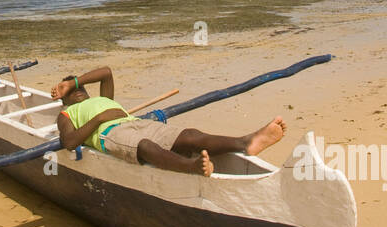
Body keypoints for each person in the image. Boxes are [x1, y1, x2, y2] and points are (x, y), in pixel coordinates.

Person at [52, 65, 285, 177]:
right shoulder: (67, 114)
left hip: (135, 122)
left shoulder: (104, 99)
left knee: (190, 136)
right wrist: (100, 118)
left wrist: (72, 82)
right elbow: (70, 142)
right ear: (65, 101)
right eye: (73, 91)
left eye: (81, 87)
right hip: (110, 134)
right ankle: (191, 167)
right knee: (144, 146)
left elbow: (106, 72)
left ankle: (246, 143)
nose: (79, 90)